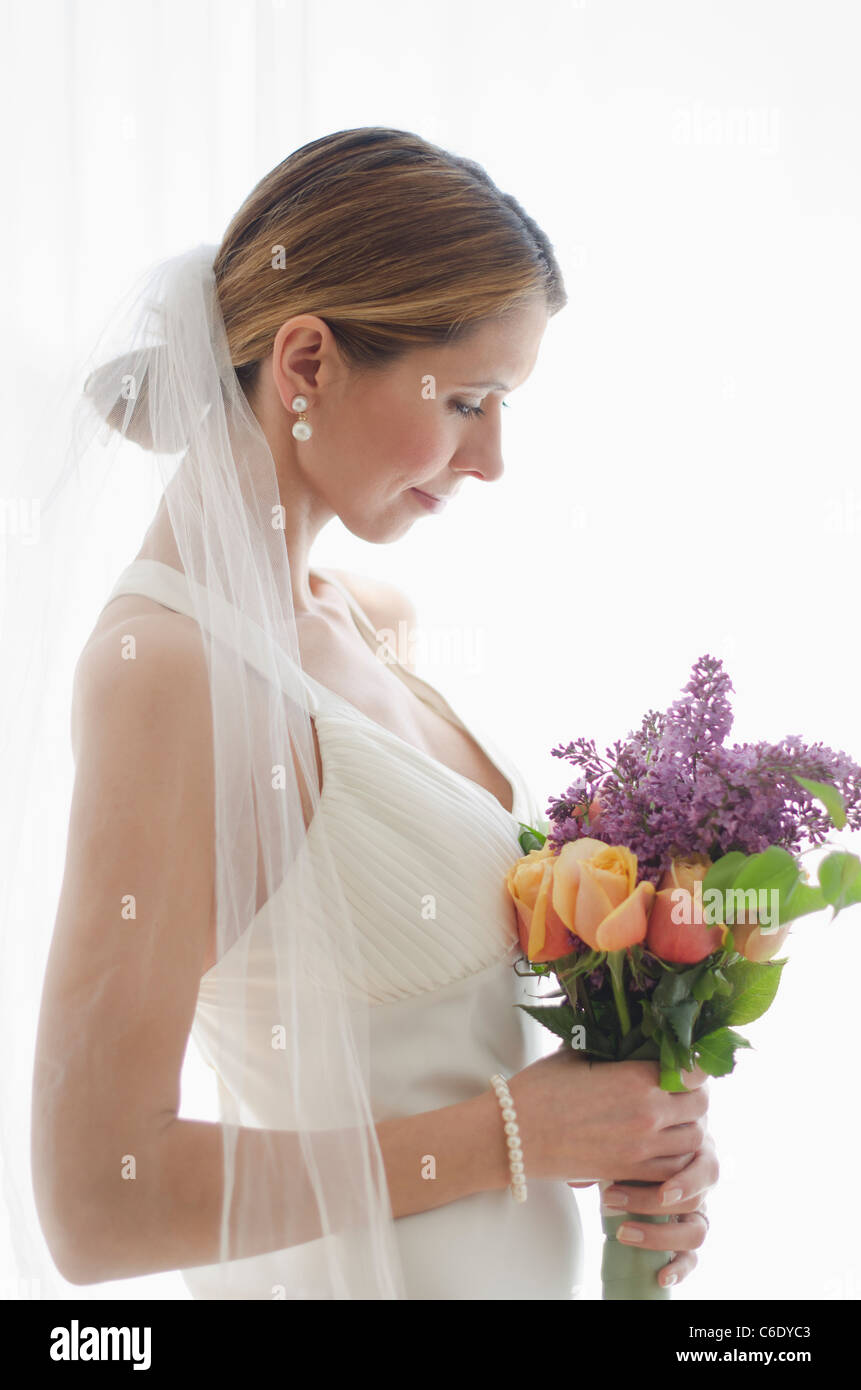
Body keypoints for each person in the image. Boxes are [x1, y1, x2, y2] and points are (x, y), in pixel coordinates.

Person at [12, 127, 716, 1300]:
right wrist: (519, 1136)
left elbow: (446, 1061)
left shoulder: (367, 614)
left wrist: (622, 1145)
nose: (492, 458)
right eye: (471, 399)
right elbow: (97, 1201)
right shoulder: (167, 670)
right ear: (304, 364)